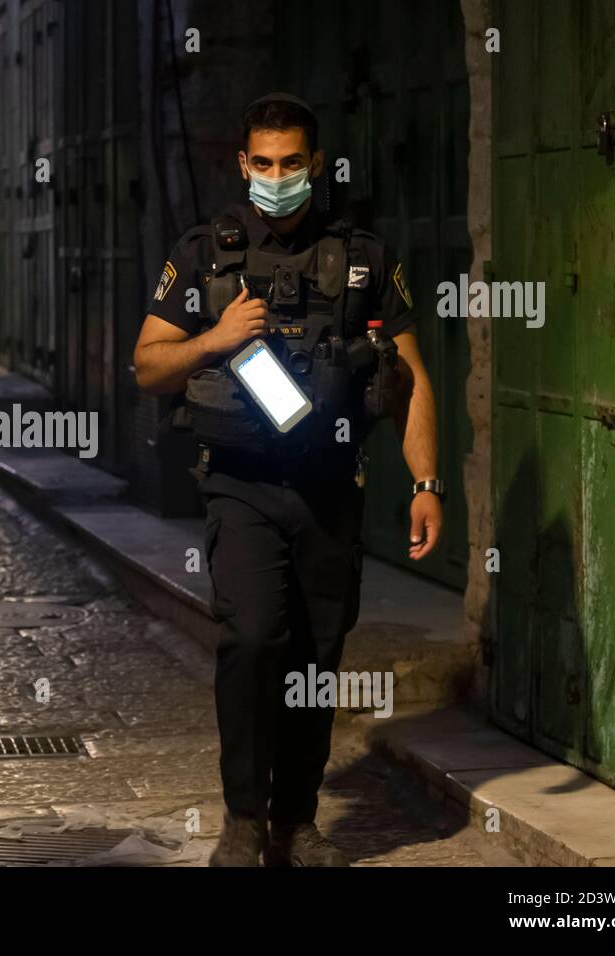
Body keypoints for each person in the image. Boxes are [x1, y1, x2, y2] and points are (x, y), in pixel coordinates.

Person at [132, 93, 443, 866]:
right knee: (251, 636)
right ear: (243, 165)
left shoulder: (364, 256)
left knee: (315, 654)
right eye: (262, 164)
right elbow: (148, 366)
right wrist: (216, 338)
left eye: (291, 163)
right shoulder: (205, 253)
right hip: (240, 483)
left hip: (333, 487)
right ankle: (243, 816)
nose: (276, 178)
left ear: (315, 162)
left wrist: (427, 481)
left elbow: (411, 377)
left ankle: (296, 821)